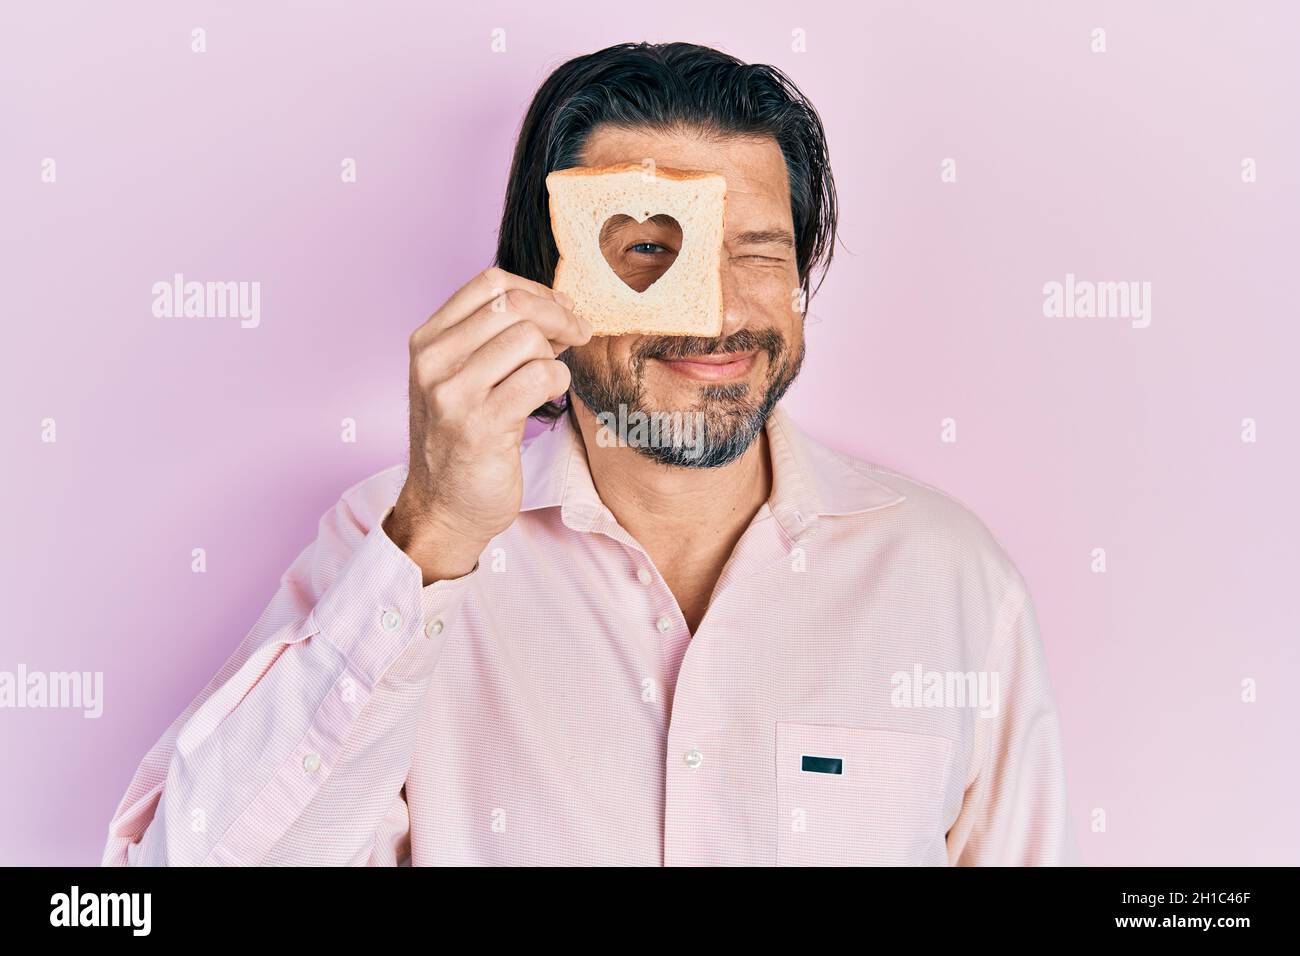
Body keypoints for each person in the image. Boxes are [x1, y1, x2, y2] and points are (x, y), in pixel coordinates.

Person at [103, 41, 1075, 866]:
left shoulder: (950, 579)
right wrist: (433, 537)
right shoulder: (391, 538)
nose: (717, 312)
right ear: (545, 277)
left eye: (760, 251)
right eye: (649, 251)